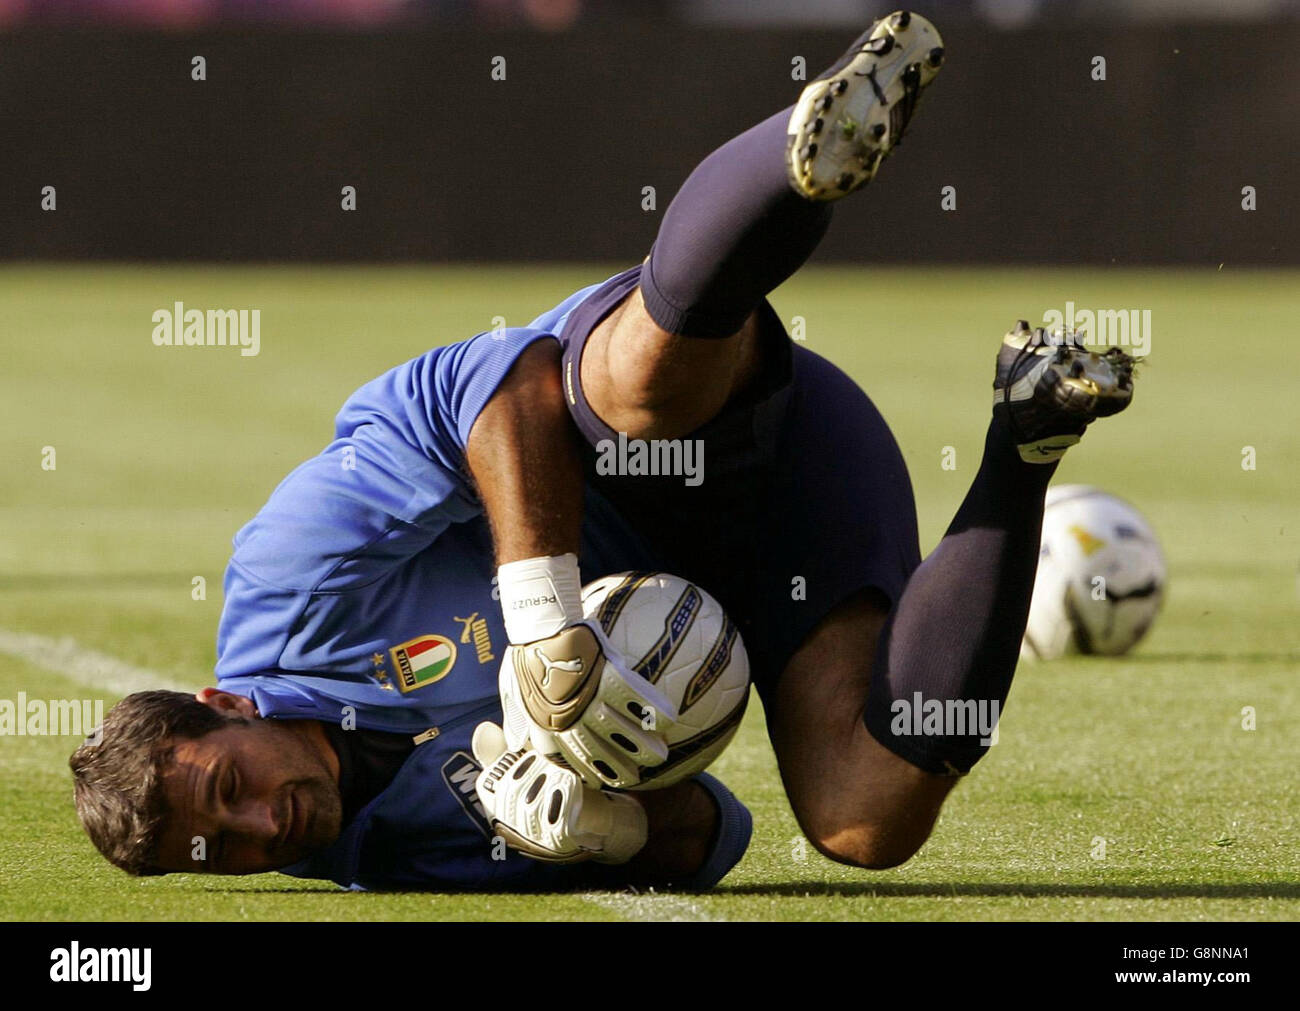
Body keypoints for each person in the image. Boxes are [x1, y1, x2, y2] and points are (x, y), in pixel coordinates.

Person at [70, 10, 1136, 889]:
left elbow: (500, 381)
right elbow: (710, 836)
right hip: (795, 514)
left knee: (628, 397)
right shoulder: (375, 849)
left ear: (222, 706)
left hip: (696, 416)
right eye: (231, 853)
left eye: (228, 792)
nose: (269, 825)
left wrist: (539, 619)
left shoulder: (285, 578)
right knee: (867, 825)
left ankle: (804, 154)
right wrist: (603, 829)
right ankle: (1030, 432)